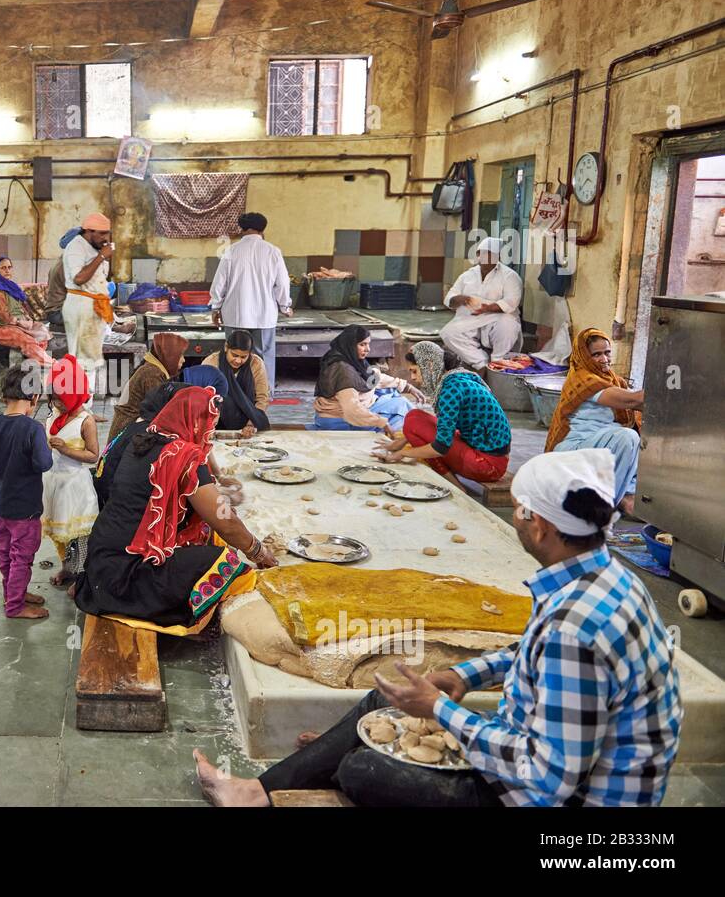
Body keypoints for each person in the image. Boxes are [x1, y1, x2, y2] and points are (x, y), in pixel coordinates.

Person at [195, 448, 682, 807]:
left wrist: (443, 714)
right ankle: (258, 792)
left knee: (361, 769)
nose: (514, 518)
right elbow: (530, 654)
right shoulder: (604, 576)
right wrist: (462, 678)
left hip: (561, 801)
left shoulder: (576, 624)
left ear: (539, 528)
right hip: (549, 760)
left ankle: (329, 766)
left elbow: (548, 779)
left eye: (518, 510)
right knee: (386, 698)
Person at [76, 386, 278, 632]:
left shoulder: (144, 440)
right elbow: (224, 521)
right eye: (208, 424)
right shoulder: (184, 456)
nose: (210, 432)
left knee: (207, 534)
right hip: (127, 576)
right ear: (193, 423)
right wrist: (258, 551)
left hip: (100, 564)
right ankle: (179, 614)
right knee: (227, 562)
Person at [0, 366, 54, 620]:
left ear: (5, 395)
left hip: (2, 506)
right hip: (25, 510)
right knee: (22, 556)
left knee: (6, 552)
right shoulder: (33, 429)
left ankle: (13, 592)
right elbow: (44, 464)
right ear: (34, 398)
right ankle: (15, 606)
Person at [94, 371, 236, 508]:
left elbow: (200, 441)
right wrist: (218, 496)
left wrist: (218, 476)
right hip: (114, 507)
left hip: (105, 501)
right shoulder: (156, 439)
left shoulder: (144, 425)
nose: (208, 432)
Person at [373, 345, 513, 484]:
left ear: (430, 366)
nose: (413, 378)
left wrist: (402, 453)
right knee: (415, 417)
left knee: (414, 423)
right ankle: (455, 483)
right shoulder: (458, 377)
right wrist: (400, 443)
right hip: (489, 455)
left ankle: (456, 487)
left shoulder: (451, 389)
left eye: (415, 371)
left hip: (488, 465)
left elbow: (440, 447)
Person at [546, 328, 644, 515]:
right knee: (627, 438)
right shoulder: (583, 379)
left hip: (597, 443)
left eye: (607, 352)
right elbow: (633, 401)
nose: (604, 359)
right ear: (583, 356)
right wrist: (668, 385)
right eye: (596, 354)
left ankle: (621, 496)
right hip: (574, 447)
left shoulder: (611, 379)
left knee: (639, 441)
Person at [209, 212, 292, 377]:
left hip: (235, 315)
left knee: (234, 356)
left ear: (242, 229)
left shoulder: (231, 251)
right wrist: (285, 305)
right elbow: (282, 283)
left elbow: (219, 283)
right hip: (264, 315)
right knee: (263, 357)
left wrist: (215, 307)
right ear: (262, 229)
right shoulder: (273, 251)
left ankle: (234, 393)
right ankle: (263, 394)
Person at [41, 355, 100, 588]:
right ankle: (67, 568)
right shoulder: (53, 415)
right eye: (53, 399)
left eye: (61, 399)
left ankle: (82, 579)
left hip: (75, 486)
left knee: (80, 536)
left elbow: (93, 455)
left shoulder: (86, 421)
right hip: (53, 483)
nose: (57, 404)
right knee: (59, 533)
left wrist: (65, 449)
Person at [312, 325, 424, 432]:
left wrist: (408, 387)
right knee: (402, 405)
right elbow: (352, 411)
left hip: (340, 415)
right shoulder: (343, 372)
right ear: (350, 345)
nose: (368, 349)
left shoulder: (350, 358)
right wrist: (381, 422)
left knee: (390, 390)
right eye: (362, 344)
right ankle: (386, 435)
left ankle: (417, 424)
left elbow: (375, 378)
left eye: (368, 344)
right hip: (337, 420)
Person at [440, 237, 523, 369]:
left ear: (497, 256)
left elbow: (512, 301)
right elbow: (449, 297)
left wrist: (488, 308)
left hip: (497, 318)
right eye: (483, 253)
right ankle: (481, 363)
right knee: (448, 333)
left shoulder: (510, 276)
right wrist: (460, 298)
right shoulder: (467, 276)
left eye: (490, 254)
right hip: (470, 319)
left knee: (508, 324)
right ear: (478, 255)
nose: (486, 257)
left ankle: (498, 359)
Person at [61, 213, 114, 391]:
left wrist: (104, 256)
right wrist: (101, 257)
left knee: (90, 360)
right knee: (83, 361)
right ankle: (81, 409)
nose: (105, 238)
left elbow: (103, 276)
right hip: (80, 307)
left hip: (93, 308)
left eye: (107, 233)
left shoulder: (97, 247)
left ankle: (85, 408)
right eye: (101, 233)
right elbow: (79, 278)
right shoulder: (76, 247)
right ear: (89, 231)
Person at [108, 332, 188, 440]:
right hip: (126, 434)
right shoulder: (152, 373)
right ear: (170, 355)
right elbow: (161, 412)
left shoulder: (153, 368)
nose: (184, 360)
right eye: (180, 355)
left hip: (128, 429)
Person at [0, 256, 55, 367]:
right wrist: (19, 322)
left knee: (41, 329)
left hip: (10, 324)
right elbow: (1, 314)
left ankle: (34, 361)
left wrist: (28, 321)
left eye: (9, 267)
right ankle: (51, 364)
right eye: (3, 268)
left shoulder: (9, 286)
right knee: (24, 339)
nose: (7, 270)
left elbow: (18, 308)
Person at [202, 329, 270, 437]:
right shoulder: (211, 363)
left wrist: (251, 424)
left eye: (243, 357)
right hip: (217, 420)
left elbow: (262, 398)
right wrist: (210, 423)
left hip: (249, 419)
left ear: (250, 353)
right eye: (234, 355)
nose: (238, 361)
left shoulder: (256, 363)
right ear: (226, 347)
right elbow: (203, 398)